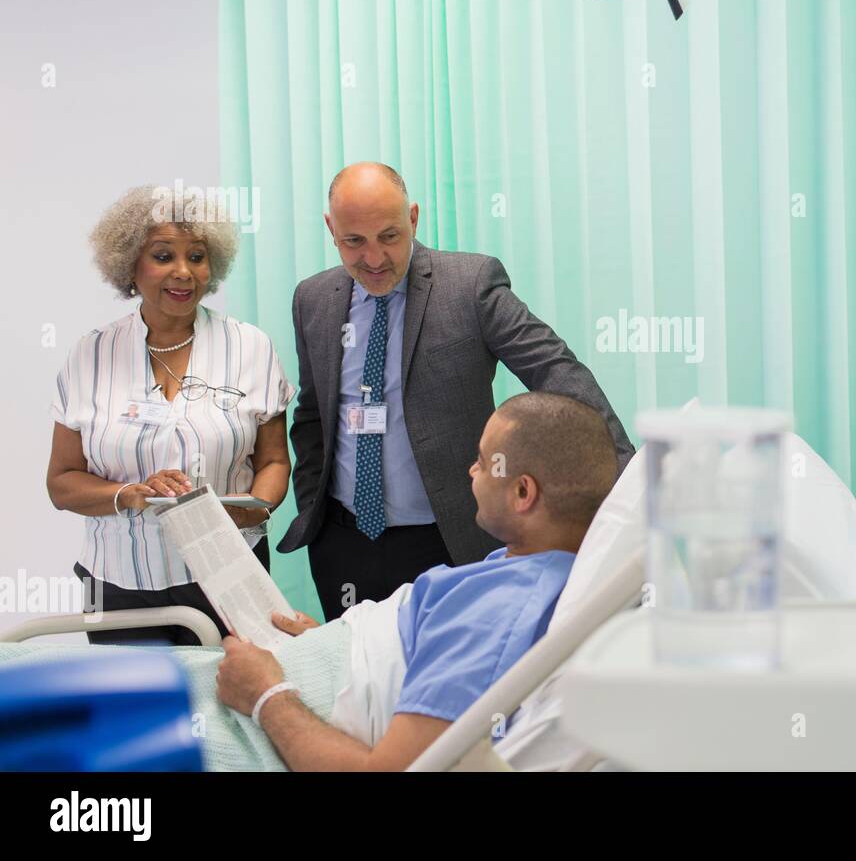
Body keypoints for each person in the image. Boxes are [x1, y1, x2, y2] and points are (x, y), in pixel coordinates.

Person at [280, 161, 634, 621]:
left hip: (448, 541)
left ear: (413, 218)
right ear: (331, 229)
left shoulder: (470, 286)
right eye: (354, 241)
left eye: (389, 236)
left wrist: (628, 477)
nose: (373, 258)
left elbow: (556, 372)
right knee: (355, 679)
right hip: (345, 545)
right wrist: (317, 508)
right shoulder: (313, 298)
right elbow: (313, 416)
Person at [217, 392, 618, 770]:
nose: (472, 470)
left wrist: (265, 695)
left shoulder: (502, 612)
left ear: (523, 491)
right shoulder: (524, 569)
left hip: (263, 700)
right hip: (305, 664)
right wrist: (330, 640)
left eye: (482, 460)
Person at [45, 185, 294, 645]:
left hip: (230, 573)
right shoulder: (91, 355)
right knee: (142, 713)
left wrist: (250, 511)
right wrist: (129, 494)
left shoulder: (250, 347)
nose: (183, 272)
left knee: (238, 707)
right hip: (119, 581)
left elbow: (275, 462)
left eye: (197, 256)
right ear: (130, 267)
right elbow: (61, 481)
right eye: (163, 256)